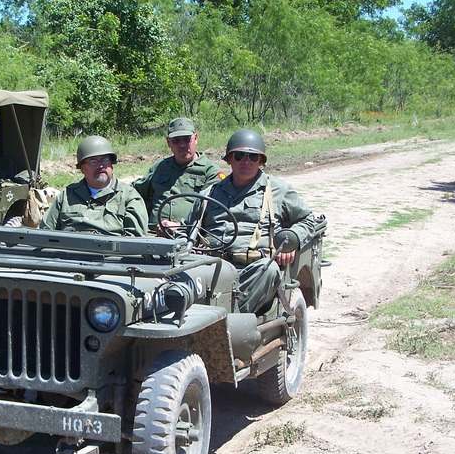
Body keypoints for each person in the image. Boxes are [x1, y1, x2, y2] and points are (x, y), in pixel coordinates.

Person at [198, 129, 322, 315]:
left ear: (261, 161)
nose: (246, 162)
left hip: (255, 270)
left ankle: (232, 319)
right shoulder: (210, 193)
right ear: (230, 159)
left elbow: (307, 219)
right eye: (239, 156)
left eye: (253, 157)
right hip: (213, 266)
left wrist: (291, 239)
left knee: (269, 269)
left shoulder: (278, 190)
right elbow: (189, 231)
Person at [39, 135, 148, 236]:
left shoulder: (129, 197)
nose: (101, 166)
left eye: (105, 160)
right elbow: (45, 233)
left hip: (110, 250)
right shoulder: (67, 196)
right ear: (82, 168)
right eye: (93, 161)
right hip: (68, 249)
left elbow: (134, 242)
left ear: (112, 165)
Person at [133, 117, 221, 227]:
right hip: (151, 233)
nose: (182, 145)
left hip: (189, 234)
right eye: (176, 140)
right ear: (168, 142)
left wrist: (180, 226)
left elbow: (214, 211)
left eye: (187, 139)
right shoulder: (160, 167)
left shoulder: (210, 172)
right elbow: (135, 191)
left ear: (196, 138)